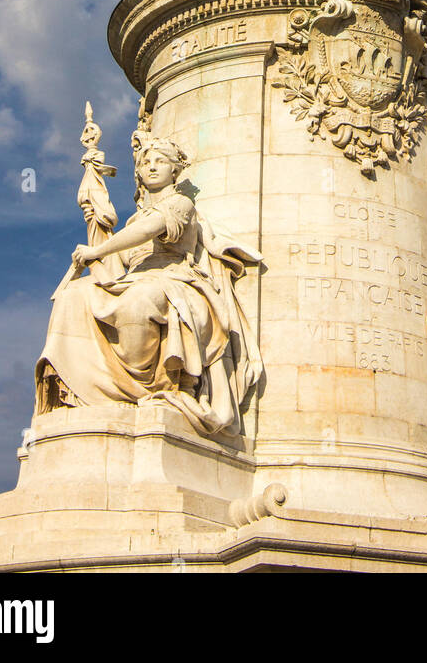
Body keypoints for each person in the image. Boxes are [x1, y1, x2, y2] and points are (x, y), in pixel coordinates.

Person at [35, 134, 262, 437]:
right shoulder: (133, 221)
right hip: (136, 279)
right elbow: (118, 264)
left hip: (176, 282)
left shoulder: (181, 204)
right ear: (139, 172)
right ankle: (86, 391)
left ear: (175, 170)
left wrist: (98, 251)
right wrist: (98, 226)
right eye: (146, 162)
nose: (152, 167)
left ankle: (152, 387)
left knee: (141, 300)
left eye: (161, 161)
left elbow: (149, 229)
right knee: (73, 295)